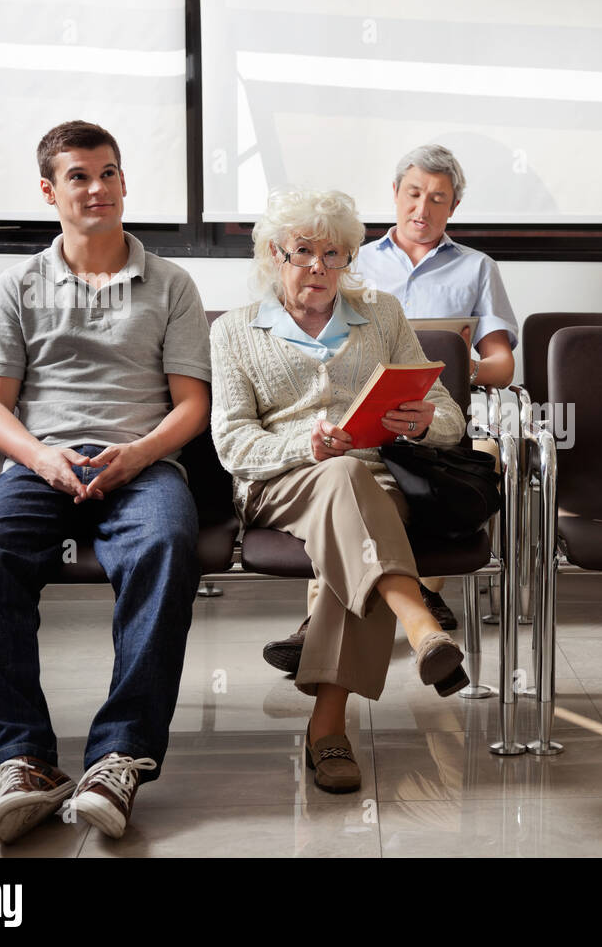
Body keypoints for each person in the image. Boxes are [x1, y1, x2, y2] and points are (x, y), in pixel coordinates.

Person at [0, 120, 211, 843]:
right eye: (78, 176)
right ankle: (22, 759)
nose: (96, 188)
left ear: (124, 182)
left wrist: (138, 452)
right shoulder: (18, 284)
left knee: (165, 546)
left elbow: (192, 403)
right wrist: (41, 459)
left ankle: (118, 758)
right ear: (49, 190)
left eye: (107, 173)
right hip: (43, 463)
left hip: (143, 462)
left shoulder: (172, 283)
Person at [210, 187, 469, 793]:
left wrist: (425, 422)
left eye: (336, 255)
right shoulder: (234, 331)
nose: (321, 268)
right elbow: (232, 443)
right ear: (275, 254)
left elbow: (450, 416)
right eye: (305, 252)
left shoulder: (381, 313)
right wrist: (306, 446)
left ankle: (328, 731)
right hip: (279, 485)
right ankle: (419, 622)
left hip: (378, 485)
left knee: (354, 513)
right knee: (348, 482)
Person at [262, 144, 518, 670]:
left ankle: (396, 595)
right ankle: (414, 605)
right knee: (347, 473)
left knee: (485, 451)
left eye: (438, 198)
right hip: (350, 429)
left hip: (425, 419)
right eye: (413, 193)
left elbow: (502, 365)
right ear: (395, 196)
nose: (422, 208)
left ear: (454, 206)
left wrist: (442, 368)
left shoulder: (477, 268)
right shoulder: (349, 256)